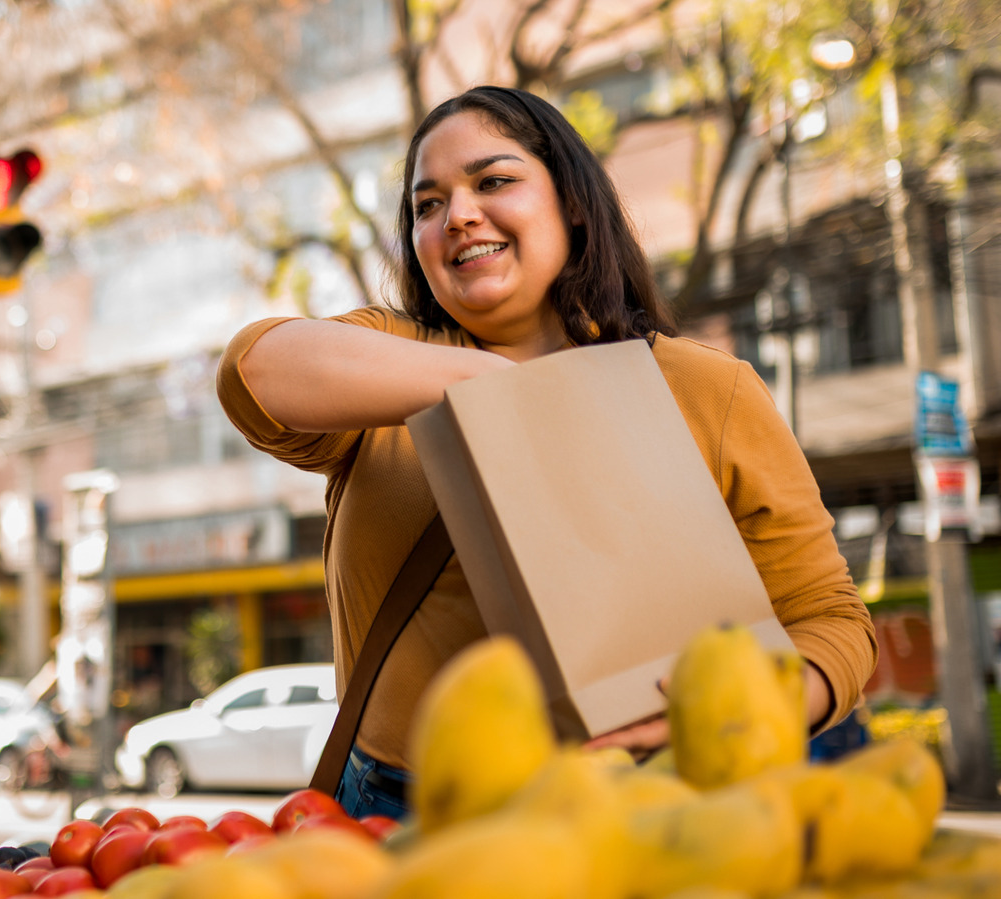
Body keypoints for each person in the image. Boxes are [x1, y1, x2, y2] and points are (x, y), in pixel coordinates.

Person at [216, 85, 877, 819]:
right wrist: (492, 388)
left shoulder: (706, 387)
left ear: (571, 203)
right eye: (426, 205)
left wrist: (759, 702)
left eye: (493, 181)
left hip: (638, 803)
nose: (457, 214)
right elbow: (254, 372)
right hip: (397, 808)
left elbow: (830, 619)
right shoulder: (389, 365)